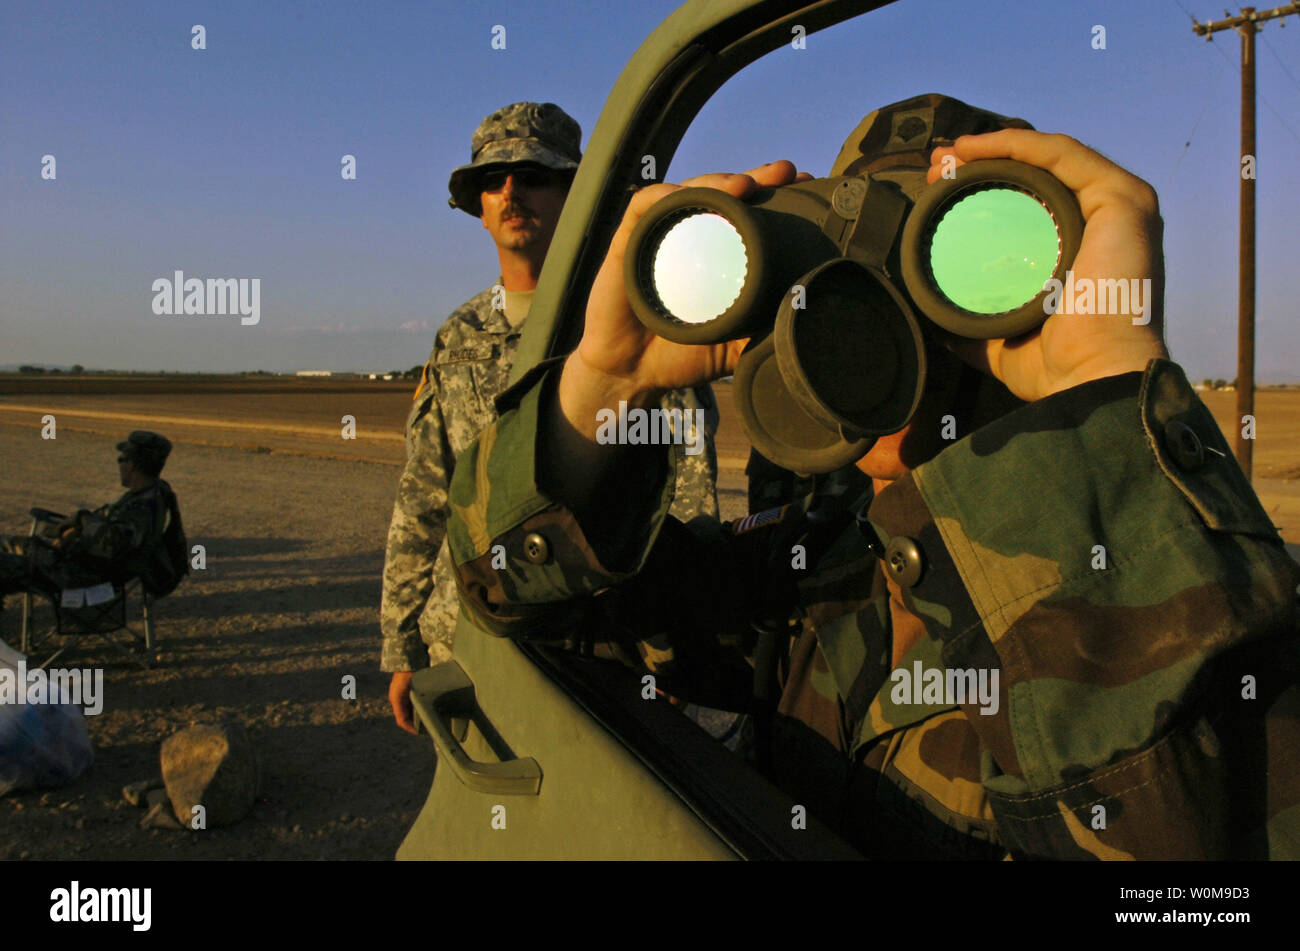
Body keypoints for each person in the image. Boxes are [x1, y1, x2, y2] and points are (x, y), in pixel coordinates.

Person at [443, 95, 1300, 859]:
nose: (887, 320)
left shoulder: (1199, 604)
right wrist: (604, 381)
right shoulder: (812, 570)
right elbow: (518, 600)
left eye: (947, 269)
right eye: (840, 278)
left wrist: (1098, 390)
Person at [381, 102, 720, 733]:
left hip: (597, 647)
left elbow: (686, 492)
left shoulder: (632, 323)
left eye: (535, 175)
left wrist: (670, 647)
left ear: (576, 193)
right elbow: (425, 493)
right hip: (466, 639)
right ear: (478, 206)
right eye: (492, 179)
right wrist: (403, 644)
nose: (511, 191)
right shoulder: (459, 335)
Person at [1, 431, 178, 600]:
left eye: (122, 459)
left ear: (132, 465)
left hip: (80, 577)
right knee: (9, 547)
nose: (119, 464)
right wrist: (77, 526)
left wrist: (82, 520)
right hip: (86, 568)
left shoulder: (142, 507)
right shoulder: (153, 494)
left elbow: (114, 544)